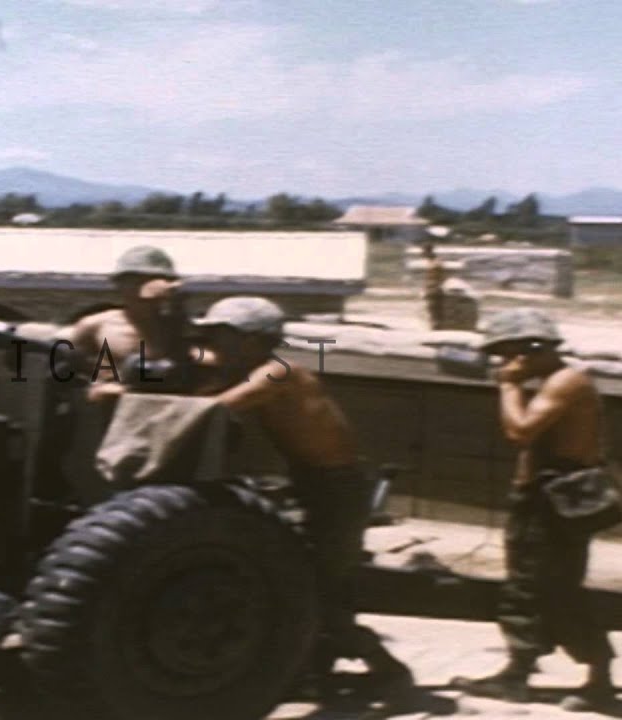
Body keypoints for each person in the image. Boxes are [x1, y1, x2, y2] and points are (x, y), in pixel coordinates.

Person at [190, 296, 416, 707]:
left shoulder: (279, 373)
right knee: (310, 580)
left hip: (338, 490)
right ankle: (316, 676)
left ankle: (391, 674)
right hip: (316, 484)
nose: (215, 343)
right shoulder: (258, 369)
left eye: (223, 335)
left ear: (255, 341)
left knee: (321, 587)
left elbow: (221, 406)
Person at [450, 308, 616, 712]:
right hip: (540, 501)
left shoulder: (566, 382)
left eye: (509, 355)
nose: (504, 364)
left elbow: (520, 431)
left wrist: (507, 388)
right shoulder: (550, 381)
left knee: (554, 589)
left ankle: (599, 678)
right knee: (526, 588)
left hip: (556, 502)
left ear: (535, 349)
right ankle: (517, 674)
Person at [59, 245, 186, 401]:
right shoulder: (95, 325)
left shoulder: (176, 327)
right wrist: (94, 389)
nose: (142, 287)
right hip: (109, 408)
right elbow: (64, 371)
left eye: (151, 279)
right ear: (119, 284)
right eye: (133, 280)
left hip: (162, 406)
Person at [421, 243, 446, 330]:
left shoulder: (436, 263)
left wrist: (432, 288)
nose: (422, 254)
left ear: (428, 252)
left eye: (423, 252)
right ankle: (436, 327)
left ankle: (437, 328)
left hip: (435, 290)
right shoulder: (433, 262)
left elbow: (439, 278)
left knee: (435, 310)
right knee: (432, 310)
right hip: (433, 289)